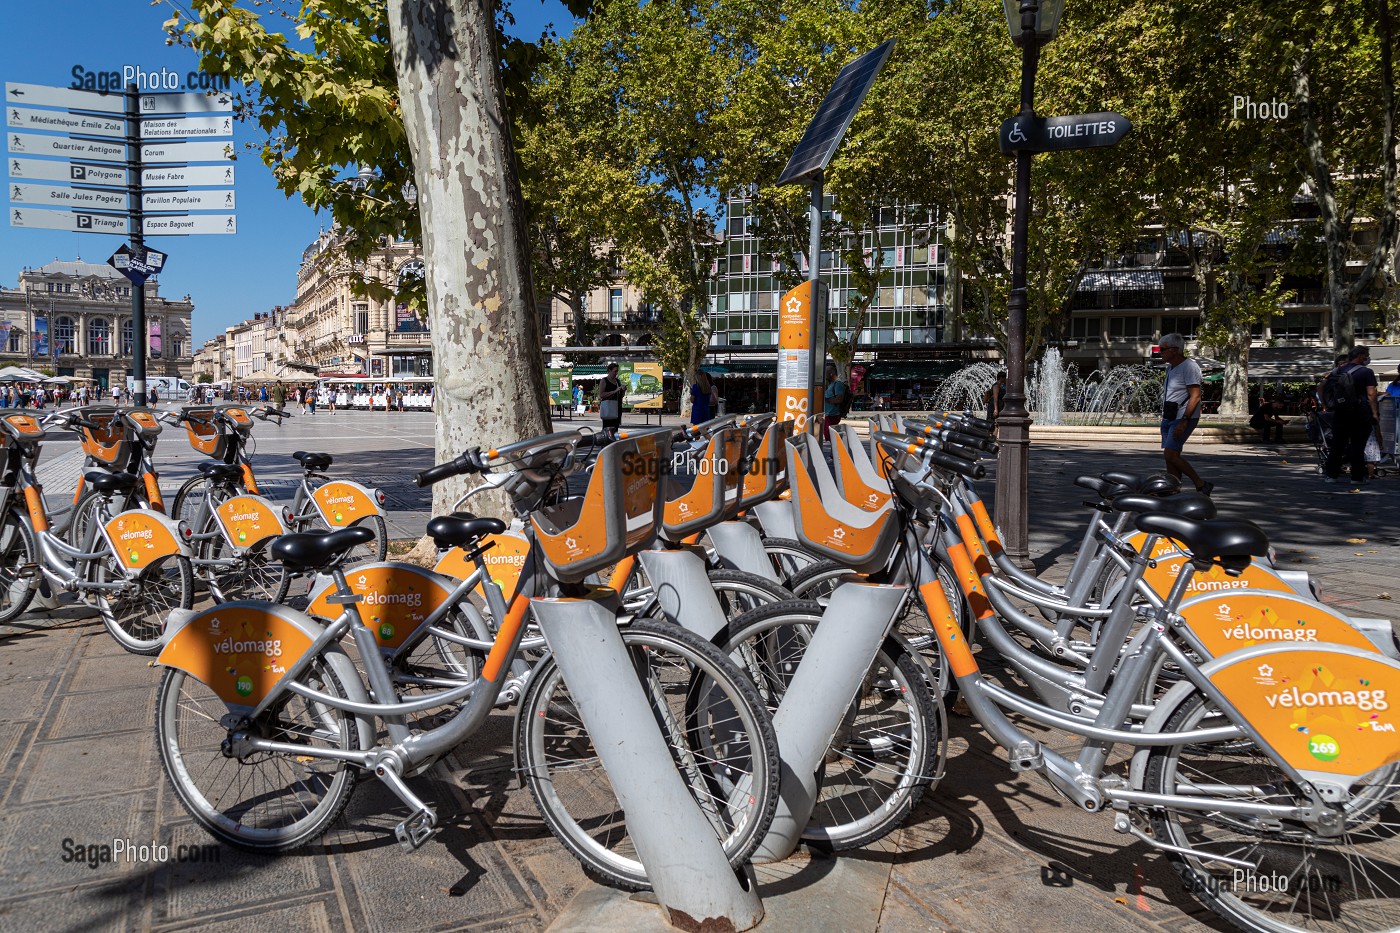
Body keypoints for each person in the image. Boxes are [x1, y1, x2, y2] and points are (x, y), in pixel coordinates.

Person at [1159, 333, 1212, 495]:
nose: (1160, 352)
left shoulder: (1189, 367)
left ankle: (1201, 483)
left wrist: (1184, 421)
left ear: (1175, 350)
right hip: (1169, 416)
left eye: (1162, 349)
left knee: (1171, 454)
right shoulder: (1170, 367)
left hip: (1182, 417)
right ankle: (1173, 489)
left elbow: (1195, 395)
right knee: (1170, 456)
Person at [1322, 345, 1380, 484]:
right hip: (1360, 413)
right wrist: (1374, 413)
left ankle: (1331, 475)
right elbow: (1371, 393)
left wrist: (1326, 405)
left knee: (1337, 445)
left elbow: (1322, 387)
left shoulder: (1337, 371)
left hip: (1340, 413)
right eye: (1366, 355)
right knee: (1358, 446)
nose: (1367, 358)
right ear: (1360, 356)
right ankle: (1356, 477)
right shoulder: (1366, 372)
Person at [822, 363, 849, 443]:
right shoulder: (831, 384)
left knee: (830, 435)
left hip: (833, 414)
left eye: (826, 373)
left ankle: (837, 451)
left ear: (831, 374)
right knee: (829, 435)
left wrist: (825, 400)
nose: (824, 375)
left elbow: (839, 399)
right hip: (828, 413)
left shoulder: (838, 384)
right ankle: (834, 452)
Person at [599, 362, 625, 440]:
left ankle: (613, 444)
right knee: (607, 428)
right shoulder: (604, 381)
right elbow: (601, 394)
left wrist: (623, 390)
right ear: (609, 371)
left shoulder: (617, 381)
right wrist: (615, 391)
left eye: (617, 371)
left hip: (617, 408)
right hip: (608, 408)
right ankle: (605, 443)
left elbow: (621, 396)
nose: (616, 373)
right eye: (615, 371)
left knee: (615, 428)